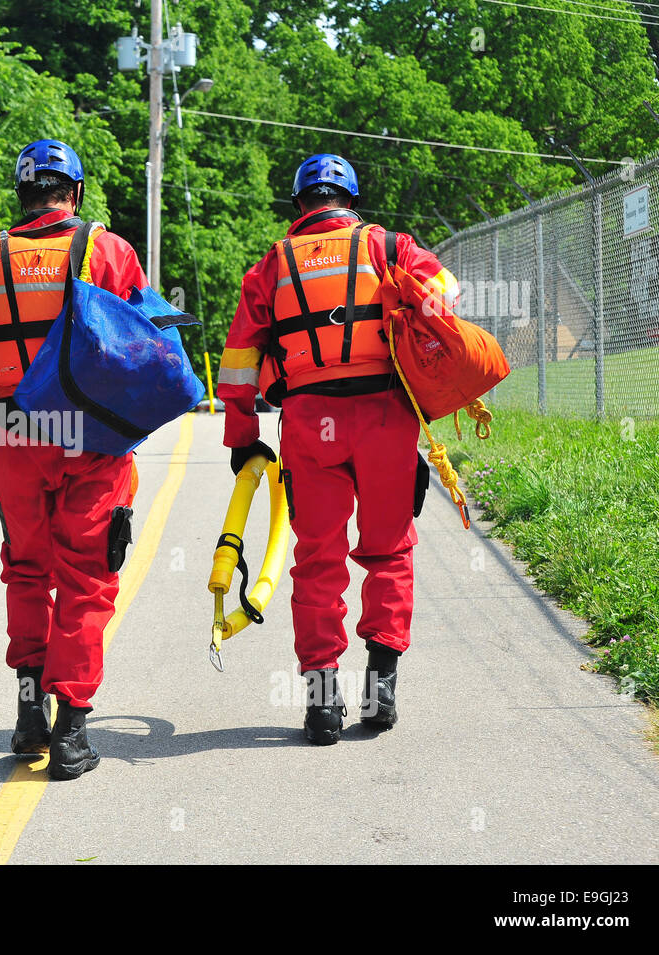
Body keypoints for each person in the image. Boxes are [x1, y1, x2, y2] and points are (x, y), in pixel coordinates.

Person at [217, 153, 459, 745]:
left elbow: (241, 364)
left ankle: (322, 707)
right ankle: (380, 689)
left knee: (317, 559)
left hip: (309, 419)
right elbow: (444, 298)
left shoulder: (270, 267)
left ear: (299, 205)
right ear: (350, 200)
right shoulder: (389, 247)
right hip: (385, 417)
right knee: (389, 549)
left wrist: (243, 437)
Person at [0, 139, 148, 779]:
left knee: (27, 568)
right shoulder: (110, 251)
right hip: (89, 440)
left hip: (13, 436)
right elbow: (139, 340)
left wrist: (7, 397)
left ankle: (29, 714)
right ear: (77, 192)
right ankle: (70, 733)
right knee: (87, 577)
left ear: (23, 195)